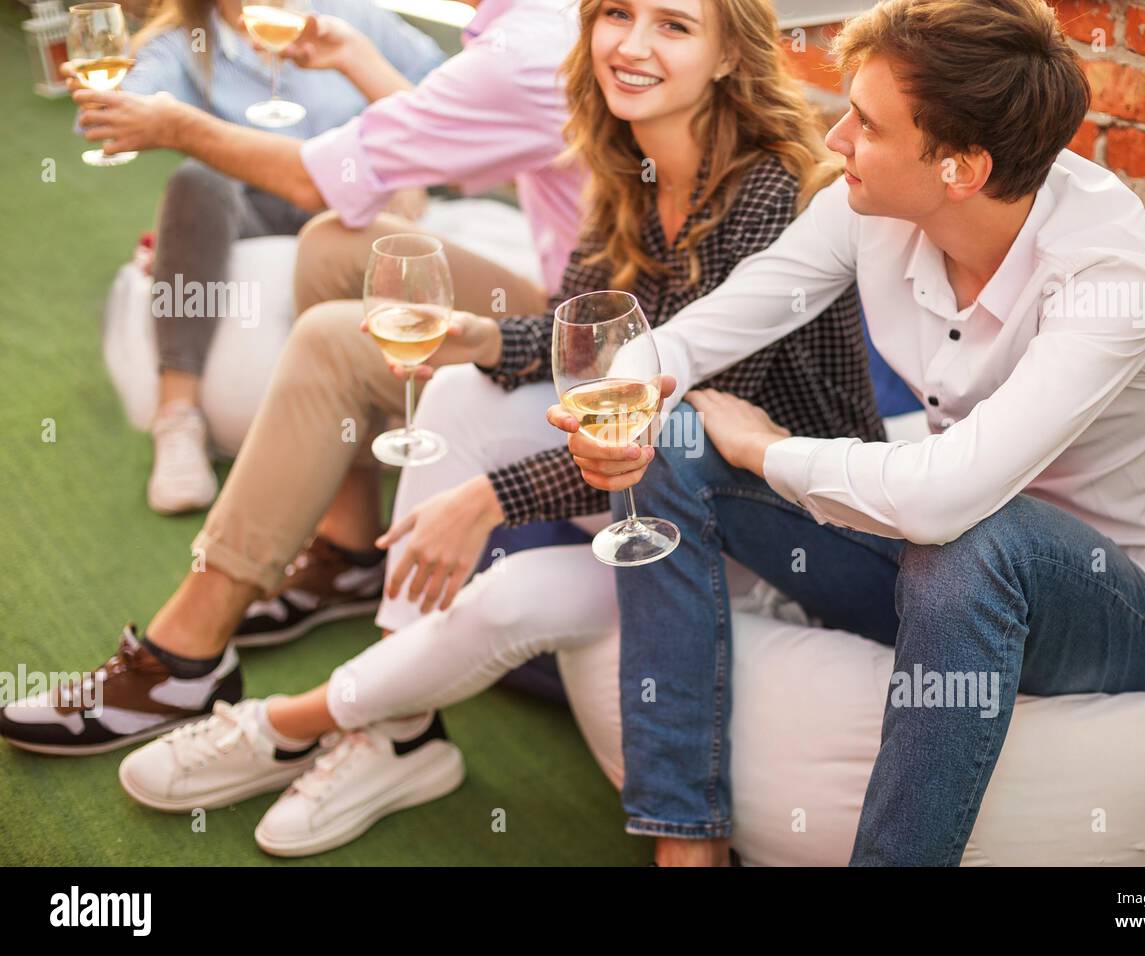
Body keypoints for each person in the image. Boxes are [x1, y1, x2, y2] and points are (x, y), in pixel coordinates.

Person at [107, 0, 885, 859]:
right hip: (657, 511)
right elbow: (580, 342)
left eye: (673, 25)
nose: (630, 45)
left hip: (757, 526)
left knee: (511, 591)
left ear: (731, 53)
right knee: (458, 393)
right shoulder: (630, 156)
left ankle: (284, 724)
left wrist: (488, 499)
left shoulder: (770, 191)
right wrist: (481, 337)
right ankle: (392, 736)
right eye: (617, 14)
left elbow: (669, 444)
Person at [547, 0, 1145, 866]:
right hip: (928, 579)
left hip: (1114, 615)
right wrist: (618, 398)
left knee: (974, 542)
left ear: (962, 168)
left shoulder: (1110, 277)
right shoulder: (870, 205)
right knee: (675, 439)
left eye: (865, 124)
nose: (835, 141)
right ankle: (687, 839)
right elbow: (717, 323)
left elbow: (943, 501)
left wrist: (767, 450)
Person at [0, 0, 582, 755]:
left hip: (592, 331)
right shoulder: (523, 30)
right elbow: (448, 125)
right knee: (332, 244)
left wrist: (179, 127)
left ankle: (183, 661)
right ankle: (346, 548)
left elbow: (349, 166)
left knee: (332, 336)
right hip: (564, 292)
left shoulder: (522, 44)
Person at [67, 0, 444, 514]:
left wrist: (405, 170)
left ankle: (398, 403)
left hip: (360, 192)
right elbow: (121, 106)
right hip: (260, 202)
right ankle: (178, 420)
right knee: (196, 180)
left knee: (394, 233)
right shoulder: (181, 44)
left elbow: (438, 92)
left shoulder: (352, 14)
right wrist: (104, 97)